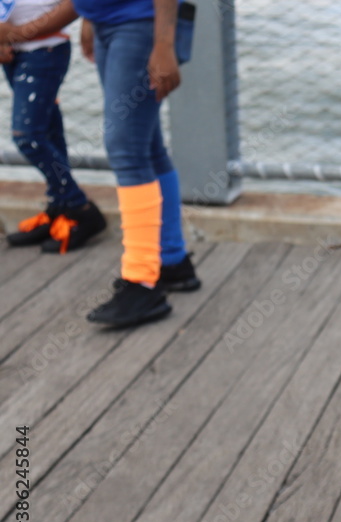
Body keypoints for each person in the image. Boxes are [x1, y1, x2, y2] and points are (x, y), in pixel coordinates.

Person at [71, 0, 200, 327]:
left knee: (126, 149)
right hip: (109, 21)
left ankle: (142, 285)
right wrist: (89, 16)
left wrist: (163, 44)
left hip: (141, 24)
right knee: (148, 147)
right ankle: (171, 261)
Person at [1, 0, 106, 253]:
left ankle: (80, 207)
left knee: (28, 137)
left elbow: (75, 4)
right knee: (48, 131)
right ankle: (59, 207)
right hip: (12, 52)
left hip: (45, 49)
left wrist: (16, 33)